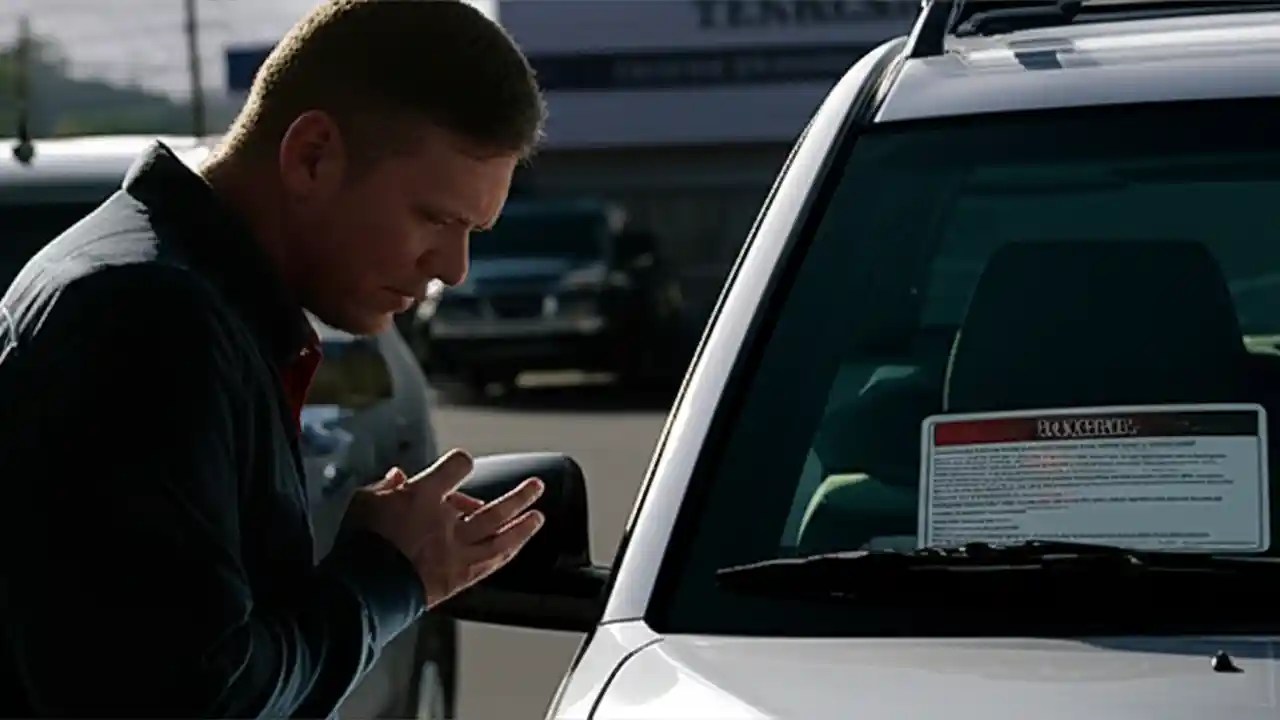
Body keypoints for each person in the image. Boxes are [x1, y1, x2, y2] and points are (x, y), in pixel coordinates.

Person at [0, 1, 549, 716]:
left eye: (473, 230)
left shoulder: (158, 288)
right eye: (436, 218)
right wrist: (389, 578)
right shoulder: (151, 317)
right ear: (312, 156)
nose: (454, 267)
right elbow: (195, 700)